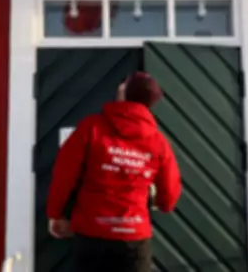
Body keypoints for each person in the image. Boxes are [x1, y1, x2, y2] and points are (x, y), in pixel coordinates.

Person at [46, 71, 182, 272]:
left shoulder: (91, 128)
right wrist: (157, 200)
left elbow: (64, 175)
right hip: (134, 239)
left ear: (124, 92)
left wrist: (56, 215)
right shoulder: (159, 143)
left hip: (93, 235)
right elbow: (169, 198)